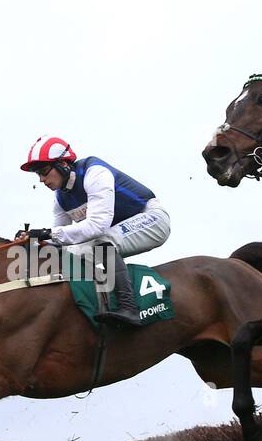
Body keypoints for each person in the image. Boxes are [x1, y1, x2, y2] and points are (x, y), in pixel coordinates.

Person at [20, 135, 171, 326]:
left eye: (44, 171)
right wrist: (33, 240)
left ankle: (129, 307)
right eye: (38, 175)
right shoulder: (60, 198)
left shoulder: (94, 173)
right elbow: (60, 237)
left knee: (102, 243)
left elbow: (97, 225)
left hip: (153, 219)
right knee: (69, 252)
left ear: (63, 165)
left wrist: (49, 234)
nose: (41, 180)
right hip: (116, 230)